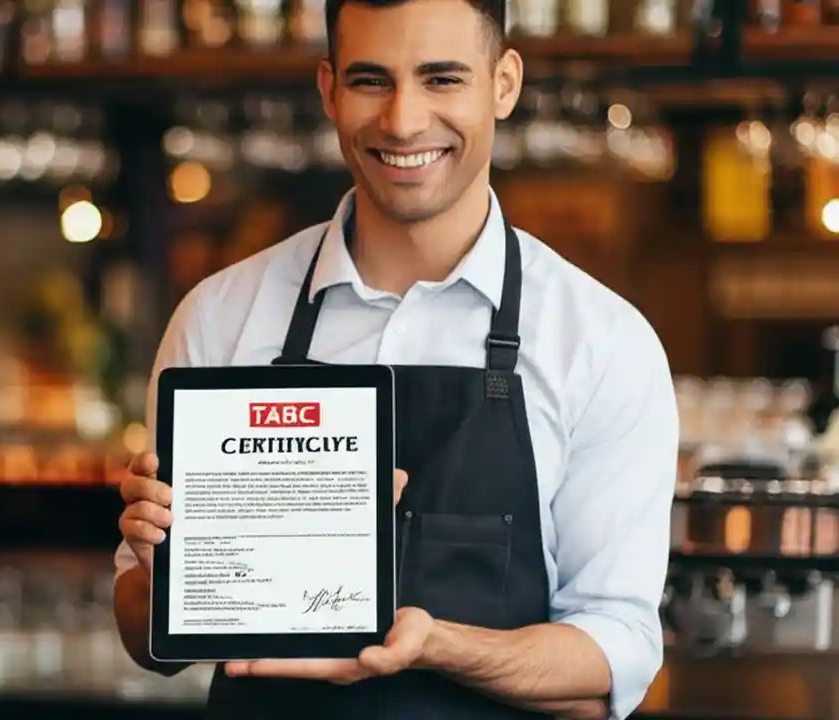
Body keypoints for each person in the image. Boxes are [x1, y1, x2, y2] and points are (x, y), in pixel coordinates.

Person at [112, 0, 679, 718]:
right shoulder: (221, 315)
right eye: (371, 81)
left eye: (442, 79)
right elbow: (143, 637)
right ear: (328, 89)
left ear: (504, 84)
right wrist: (170, 575)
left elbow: (614, 653)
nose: (404, 120)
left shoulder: (600, 341)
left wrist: (437, 645)